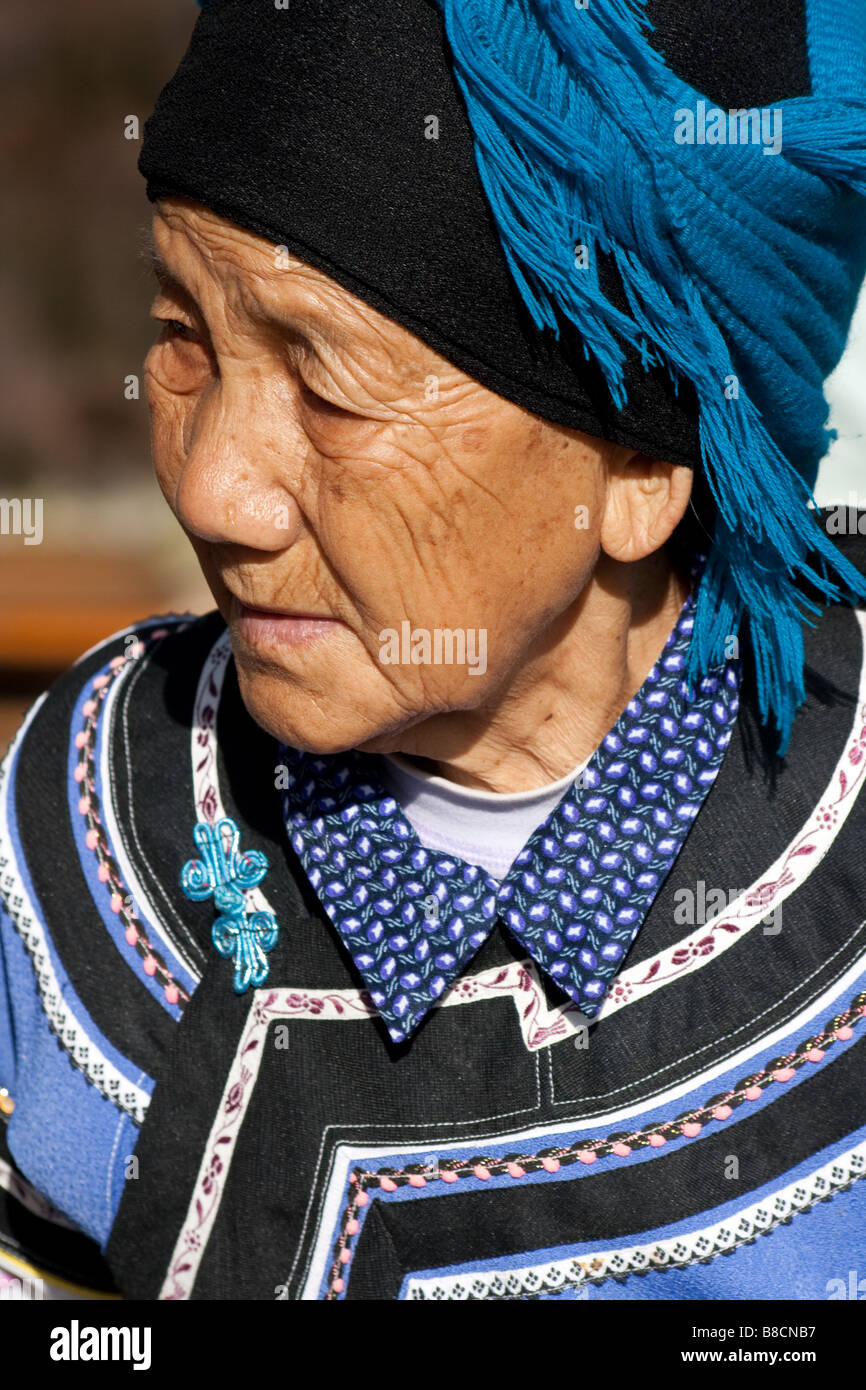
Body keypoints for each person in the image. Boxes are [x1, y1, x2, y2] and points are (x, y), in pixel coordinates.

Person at [2, 0, 866, 1302]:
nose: (218, 489)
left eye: (330, 384)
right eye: (185, 338)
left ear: (639, 465)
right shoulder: (98, 792)